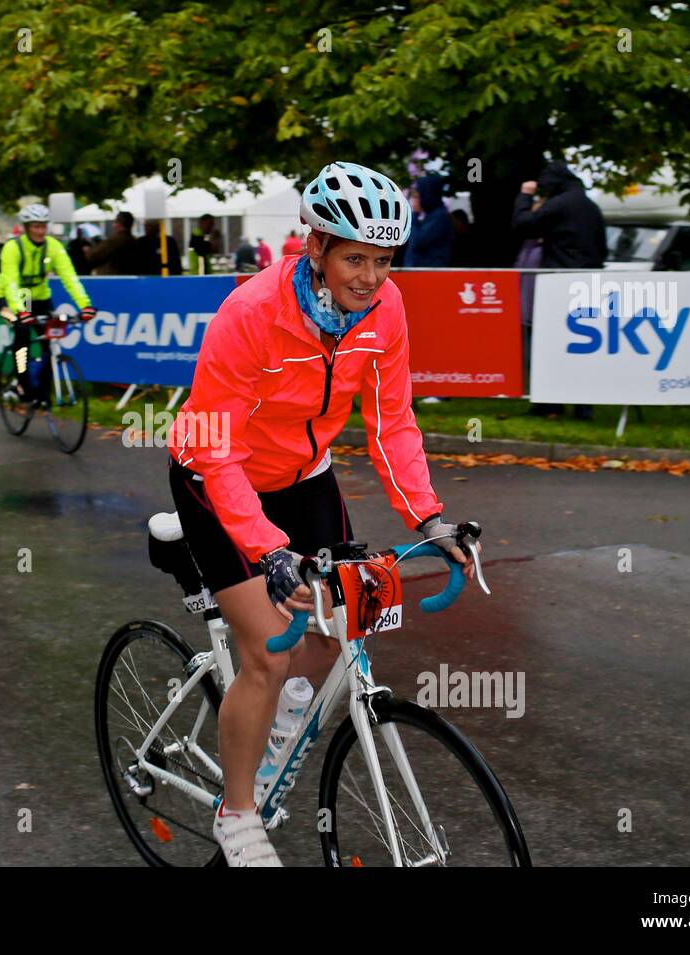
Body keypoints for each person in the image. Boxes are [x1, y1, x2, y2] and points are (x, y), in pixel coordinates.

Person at [166, 161, 477, 866]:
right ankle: (238, 814)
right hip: (217, 474)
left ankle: (281, 710)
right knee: (268, 654)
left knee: (343, 629)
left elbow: (392, 422)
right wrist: (269, 551)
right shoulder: (250, 314)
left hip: (305, 474)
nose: (369, 277)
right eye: (354, 258)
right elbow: (216, 451)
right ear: (316, 248)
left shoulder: (386, 310)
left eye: (383, 261)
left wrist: (427, 518)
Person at [513, 161, 607, 419]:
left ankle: (549, 403)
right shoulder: (589, 205)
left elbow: (523, 224)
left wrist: (526, 195)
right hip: (586, 283)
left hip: (558, 284)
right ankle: (582, 405)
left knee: (548, 346)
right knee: (581, 348)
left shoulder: (560, 204)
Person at [0, 204, 95, 403]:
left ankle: (42, 394)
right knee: (22, 338)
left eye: (43, 226)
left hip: (40, 297)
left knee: (49, 343)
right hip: (10, 298)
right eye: (35, 226)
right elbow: (11, 282)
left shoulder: (54, 247)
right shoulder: (12, 248)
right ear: (26, 227)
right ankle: (22, 384)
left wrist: (85, 305)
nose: (40, 231)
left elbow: (70, 278)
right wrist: (20, 311)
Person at [403, 174, 453, 267]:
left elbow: (418, 242)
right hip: (417, 272)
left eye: (416, 197)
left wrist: (414, 215)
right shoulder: (427, 216)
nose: (413, 200)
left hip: (430, 272)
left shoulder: (440, 216)